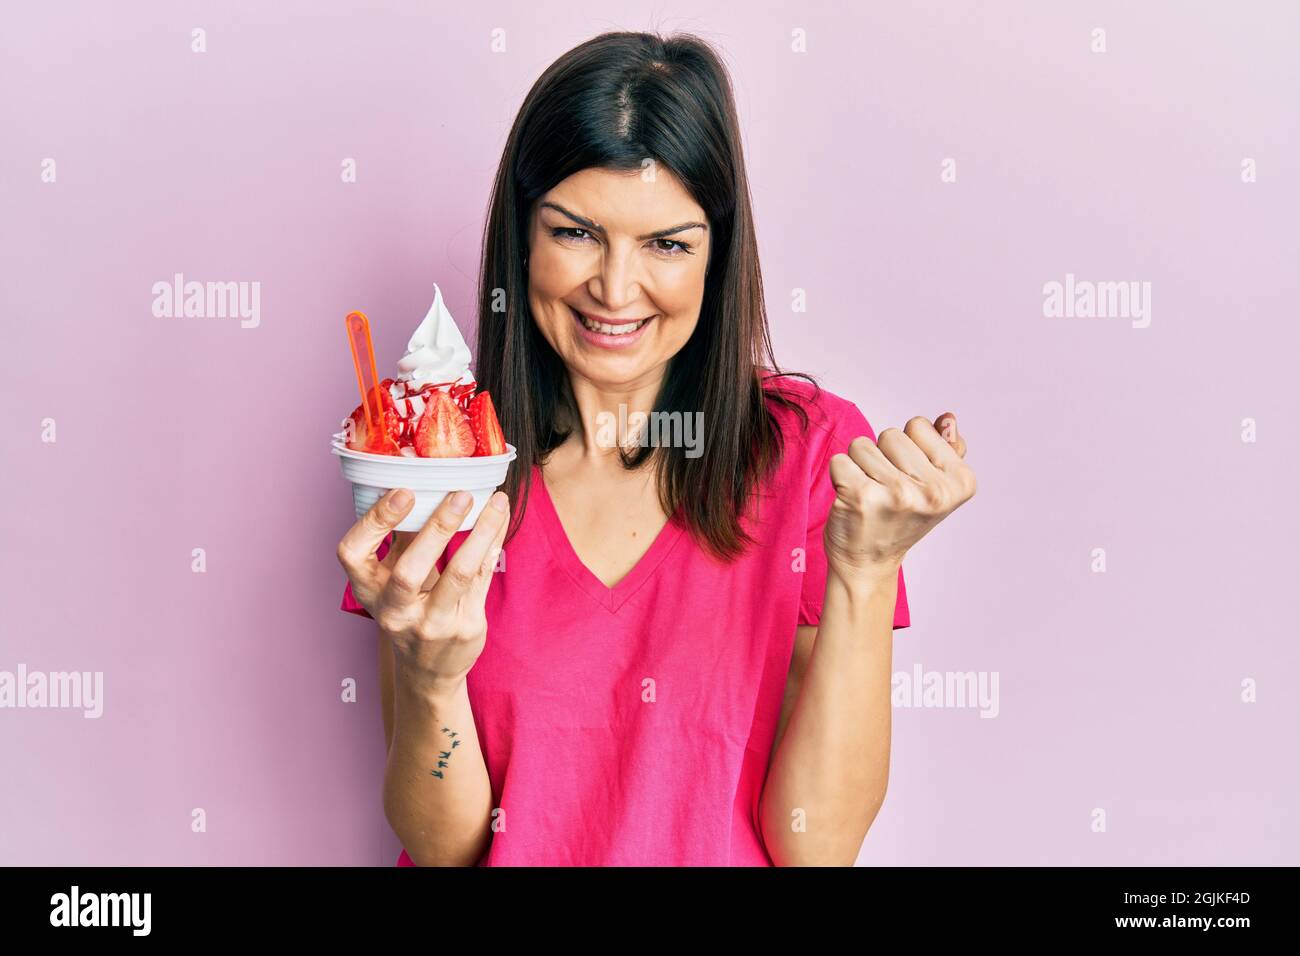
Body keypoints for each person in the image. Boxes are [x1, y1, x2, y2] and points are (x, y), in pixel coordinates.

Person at [336, 30, 976, 867]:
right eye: (576, 233)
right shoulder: (435, 465)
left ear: (718, 251)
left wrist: (863, 571)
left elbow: (817, 850)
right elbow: (444, 845)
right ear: (521, 237)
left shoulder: (814, 457)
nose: (615, 287)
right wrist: (428, 678)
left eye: (668, 244)